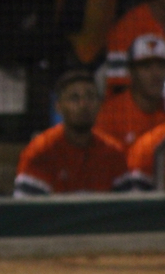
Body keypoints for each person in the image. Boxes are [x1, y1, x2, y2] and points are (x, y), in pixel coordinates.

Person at [13, 69, 131, 197]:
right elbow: (27, 212)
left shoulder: (113, 152)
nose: (83, 104)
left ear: (99, 104)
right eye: (74, 98)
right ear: (58, 106)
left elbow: (127, 210)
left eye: (90, 96)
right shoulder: (40, 151)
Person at [95, 33, 165, 147]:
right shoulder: (111, 114)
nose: (156, 74)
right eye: (146, 67)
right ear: (131, 71)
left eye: (161, 66)